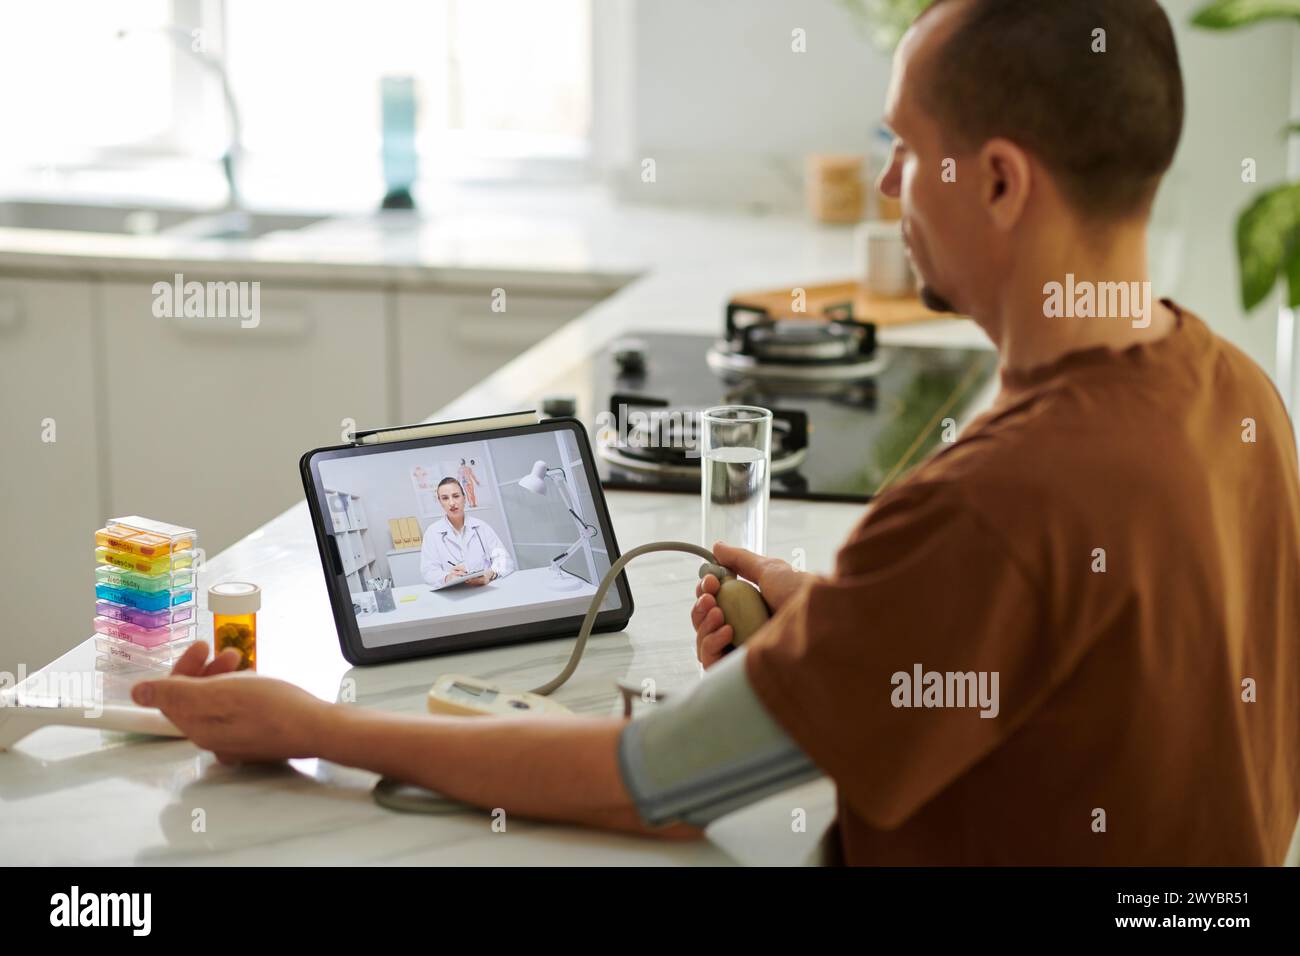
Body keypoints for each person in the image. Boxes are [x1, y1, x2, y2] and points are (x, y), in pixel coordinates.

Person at [132, 0, 1300, 864]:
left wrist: (322, 726)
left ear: (999, 183)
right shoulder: (1238, 393)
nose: (889, 186)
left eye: (902, 147)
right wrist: (842, 627)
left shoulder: (993, 505)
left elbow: (656, 781)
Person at [418, 477, 514, 586]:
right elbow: (428, 571)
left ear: (464, 498)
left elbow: (504, 560)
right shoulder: (432, 533)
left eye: (456, 496)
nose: (452, 503)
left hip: (485, 588)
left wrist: (489, 574)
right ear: (440, 502)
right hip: (455, 594)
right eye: (445, 498)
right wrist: (447, 577)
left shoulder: (481, 527)